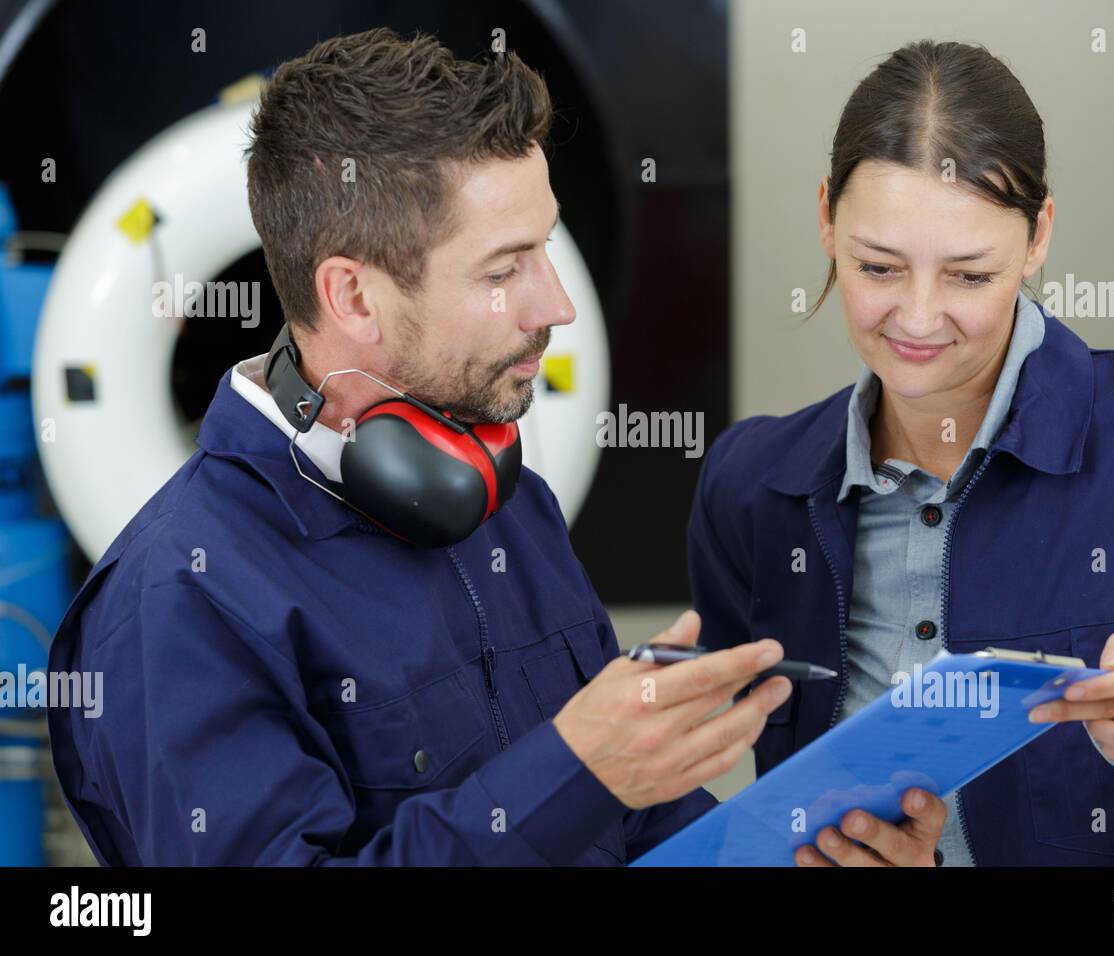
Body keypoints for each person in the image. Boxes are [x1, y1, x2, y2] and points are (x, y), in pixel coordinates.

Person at [45, 27, 792, 866]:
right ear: (353, 297)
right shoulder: (182, 599)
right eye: (505, 269)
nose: (556, 305)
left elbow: (638, 823)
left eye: (544, 248)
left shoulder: (507, 503)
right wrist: (574, 772)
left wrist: (796, 849)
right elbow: (586, 785)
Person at [688, 39, 1114, 866]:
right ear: (827, 217)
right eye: (878, 267)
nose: (916, 318)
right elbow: (747, 783)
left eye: (969, 276)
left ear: (1038, 235)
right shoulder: (750, 485)